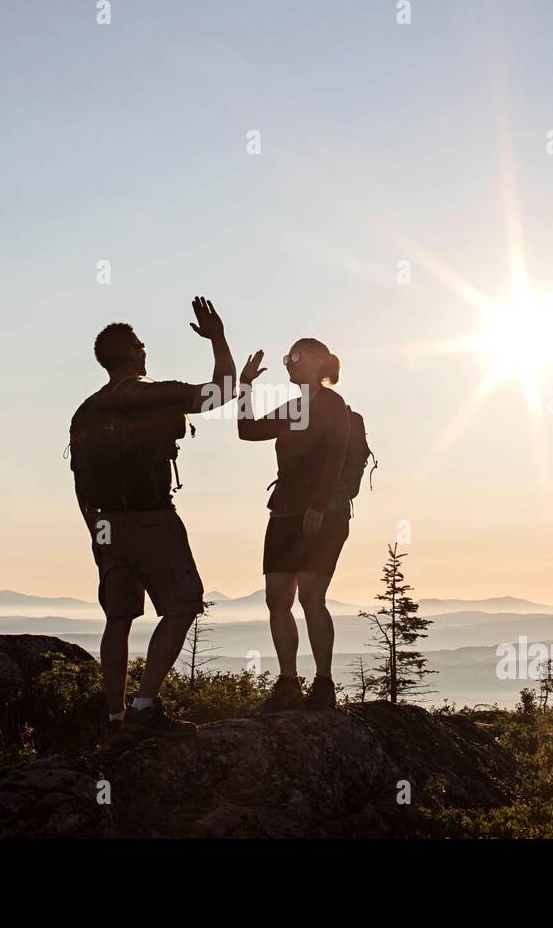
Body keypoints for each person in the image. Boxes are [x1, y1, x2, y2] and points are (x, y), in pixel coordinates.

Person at [69, 297, 236, 738]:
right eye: (141, 345)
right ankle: (145, 707)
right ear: (134, 354)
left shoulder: (85, 411)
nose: (146, 350)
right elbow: (222, 390)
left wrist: (96, 530)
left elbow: (80, 482)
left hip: (106, 525)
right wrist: (218, 338)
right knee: (183, 603)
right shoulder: (154, 395)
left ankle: (115, 716)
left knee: (118, 619)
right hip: (152, 519)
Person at [237, 338, 351, 711]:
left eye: (296, 357)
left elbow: (336, 456)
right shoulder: (293, 407)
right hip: (285, 510)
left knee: (310, 597)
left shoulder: (332, 405)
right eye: (287, 358)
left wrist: (318, 506)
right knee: (276, 599)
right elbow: (247, 431)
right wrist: (245, 386)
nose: (289, 363)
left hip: (323, 512)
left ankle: (323, 682)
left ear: (319, 363)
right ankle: (289, 682)